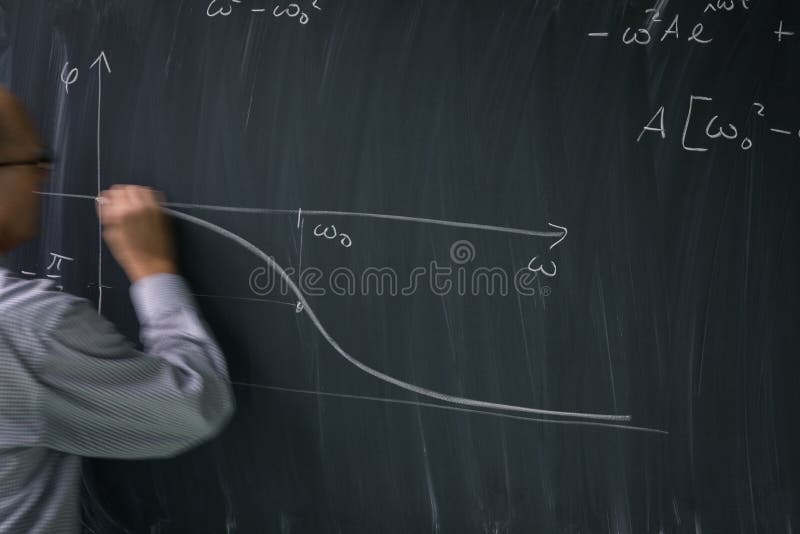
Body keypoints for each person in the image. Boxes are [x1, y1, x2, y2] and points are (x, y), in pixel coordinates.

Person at [0, 88, 235, 532]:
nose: (44, 178)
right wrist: (153, 268)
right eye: (36, 161)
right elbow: (192, 407)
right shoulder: (29, 328)